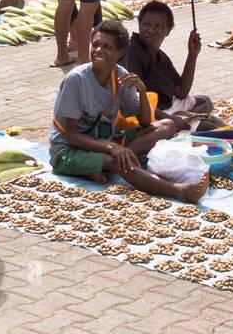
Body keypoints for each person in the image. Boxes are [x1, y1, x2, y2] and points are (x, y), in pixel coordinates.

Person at [50, 19, 207, 201]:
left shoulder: (121, 76)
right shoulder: (76, 80)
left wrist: (141, 90)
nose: (98, 50)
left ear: (120, 53)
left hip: (103, 139)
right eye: (96, 45)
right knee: (118, 161)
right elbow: (71, 136)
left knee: (167, 125)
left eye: (107, 47)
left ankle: (102, 165)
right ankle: (179, 190)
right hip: (69, 150)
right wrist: (112, 148)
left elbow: (146, 123)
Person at [125, 0, 212, 124]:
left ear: (168, 30)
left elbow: (182, 92)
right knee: (204, 125)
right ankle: (186, 125)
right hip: (149, 112)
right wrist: (172, 120)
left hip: (168, 108)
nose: (150, 30)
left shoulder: (160, 56)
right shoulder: (132, 52)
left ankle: (186, 124)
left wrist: (192, 54)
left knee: (205, 101)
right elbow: (135, 100)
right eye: (146, 24)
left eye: (158, 26)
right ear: (139, 24)